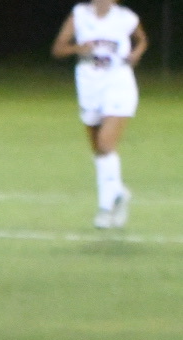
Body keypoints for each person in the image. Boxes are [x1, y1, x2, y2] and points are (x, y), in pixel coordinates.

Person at [52, 2, 147, 229]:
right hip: (89, 85)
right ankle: (119, 193)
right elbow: (58, 49)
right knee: (99, 150)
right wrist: (78, 49)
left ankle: (106, 207)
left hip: (118, 82)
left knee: (106, 144)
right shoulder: (79, 15)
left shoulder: (125, 17)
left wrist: (136, 53)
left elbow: (142, 40)